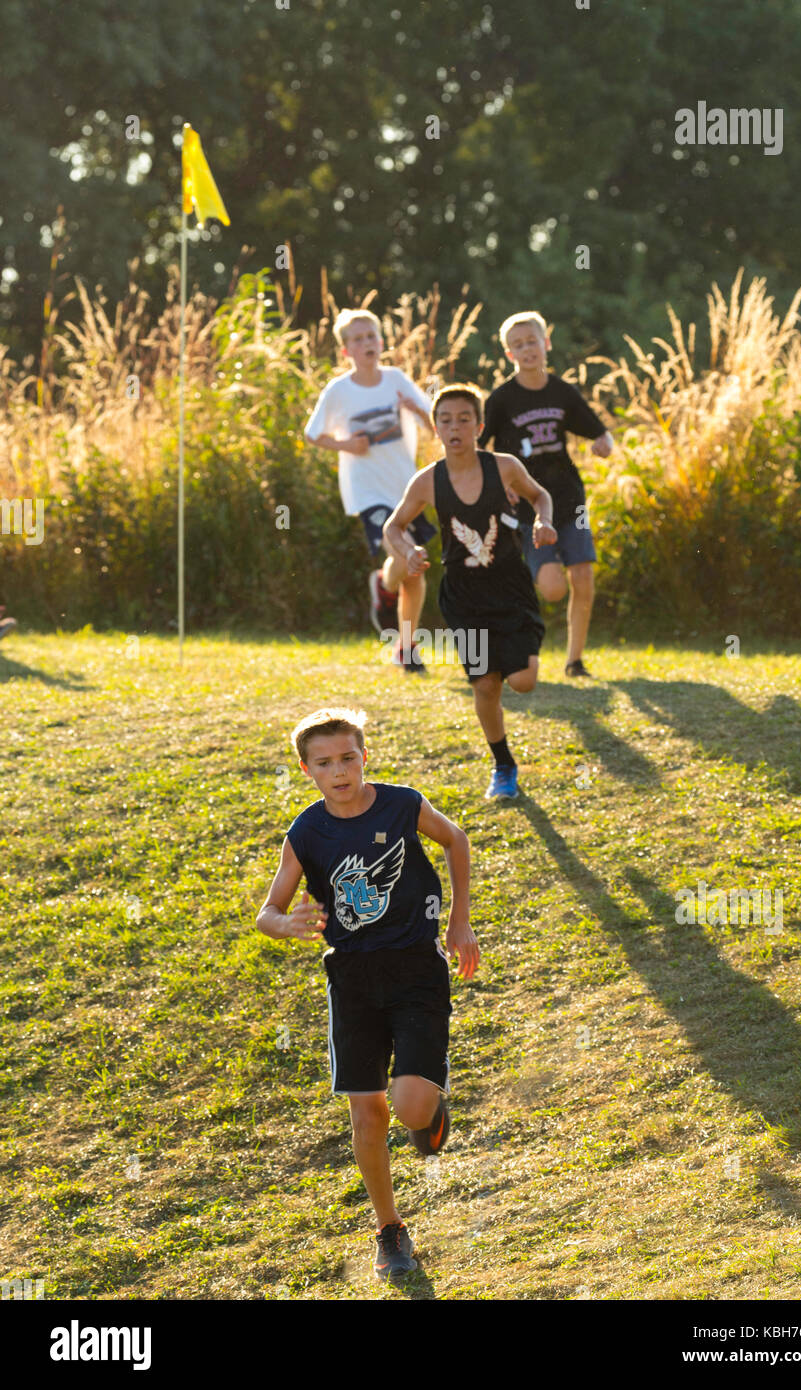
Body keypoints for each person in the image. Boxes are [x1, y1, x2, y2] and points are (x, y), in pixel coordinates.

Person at [256, 707, 478, 1282]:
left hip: (416, 972)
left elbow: (455, 840)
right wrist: (285, 923)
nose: (340, 771)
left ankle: (426, 1104)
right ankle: (390, 1229)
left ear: (363, 756)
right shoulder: (306, 832)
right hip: (351, 980)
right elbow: (267, 912)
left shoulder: (403, 804)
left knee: (408, 1107)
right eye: (325, 763)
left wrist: (459, 922)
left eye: (348, 758)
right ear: (306, 769)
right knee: (367, 1112)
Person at [384, 384, 556, 800]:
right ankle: (503, 764)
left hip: (511, 586)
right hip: (464, 595)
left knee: (523, 682)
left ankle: (506, 746)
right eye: (445, 420)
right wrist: (409, 552)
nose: (454, 426)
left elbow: (540, 495)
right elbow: (393, 526)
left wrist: (542, 521)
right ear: (435, 428)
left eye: (464, 419)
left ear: (479, 426)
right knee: (485, 685)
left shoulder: (504, 466)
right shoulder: (427, 481)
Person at [481, 311, 613, 678]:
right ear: (509, 355)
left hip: (569, 500)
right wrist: (497, 484)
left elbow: (597, 430)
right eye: (518, 345)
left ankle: (575, 660)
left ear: (546, 343)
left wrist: (604, 442)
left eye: (532, 341)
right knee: (553, 589)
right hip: (526, 505)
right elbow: (479, 448)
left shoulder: (562, 392)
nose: (527, 350)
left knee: (583, 577)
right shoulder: (502, 399)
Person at [304, 309, 436, 673]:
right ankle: (407, 646)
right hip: (367, 493)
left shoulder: (396, 379)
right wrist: (347, 445)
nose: (366, 343)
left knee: (414, 570)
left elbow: (434, 422)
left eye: (371, 336)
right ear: (345, 350)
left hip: (405, 486)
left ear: (381, 342)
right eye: (357, 339)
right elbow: (312, 434)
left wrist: (416, 410)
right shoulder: (339, 391)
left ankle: (399, 629)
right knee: (409, 555)